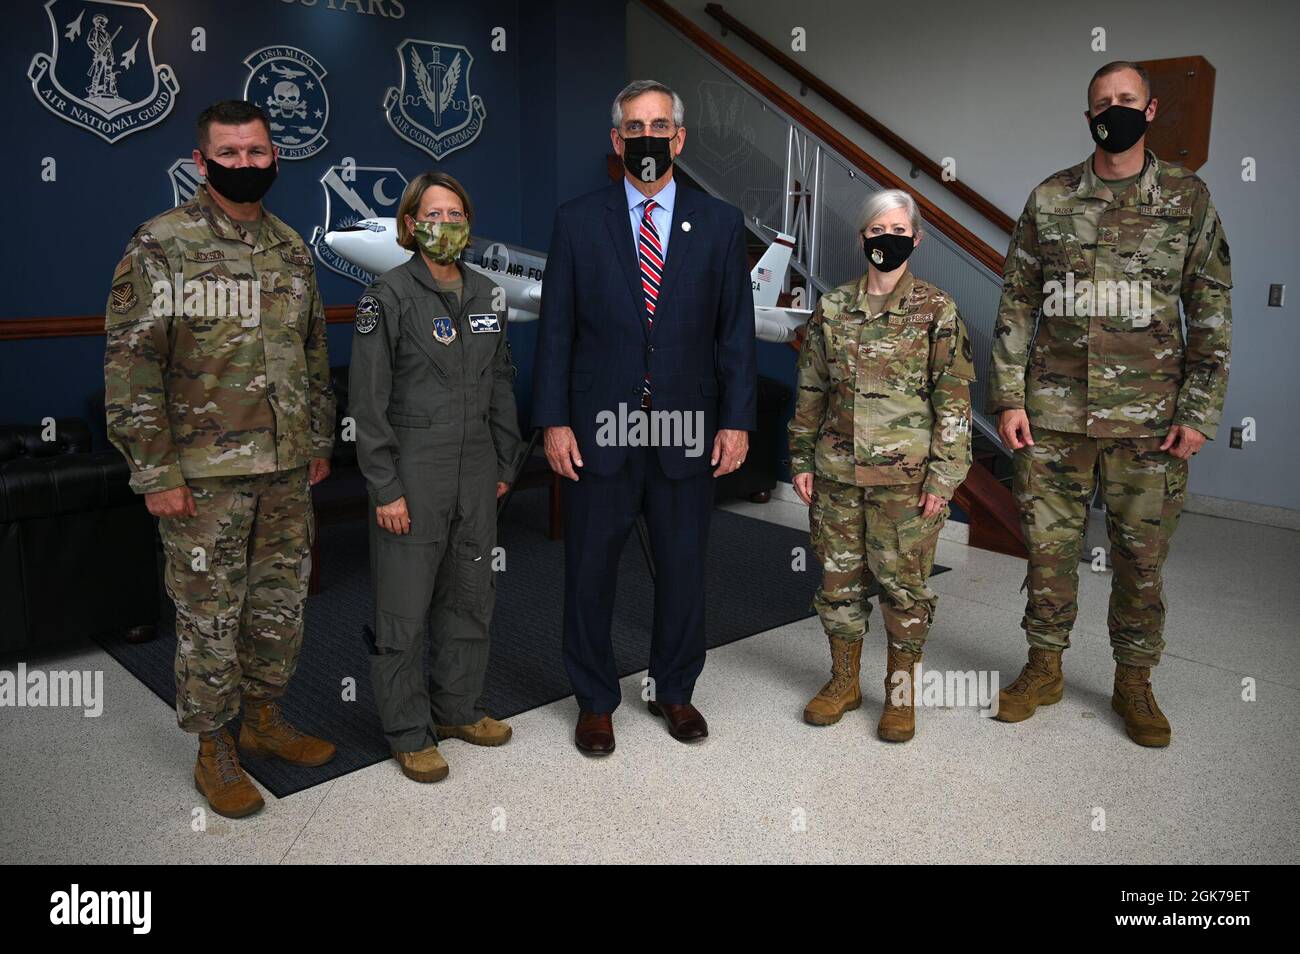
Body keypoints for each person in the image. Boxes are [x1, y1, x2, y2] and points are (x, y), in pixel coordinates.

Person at [988, 61, 1232, 746]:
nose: (1113, 109)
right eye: (1102, 102)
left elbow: (1210, 308)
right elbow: (1018, 303)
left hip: (1151, 422)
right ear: (1088, 114)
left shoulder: (1188, 199)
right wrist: (1007, 396)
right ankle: (1042, 667)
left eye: (1126, 100)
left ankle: (1134, 681)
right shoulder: (1051, 198)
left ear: (1151, 111)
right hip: (1055, 416)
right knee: (1048, 551)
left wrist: (1199, 409)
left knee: (1141, 559)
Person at [104, 100, 336, 819]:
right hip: (203, 483)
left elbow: (313, 354)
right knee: (210, 617)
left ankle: (263, 721)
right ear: (201, 162)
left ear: (276, 157)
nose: (245, 165)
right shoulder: (161, 245)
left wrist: (317, 442)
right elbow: (131, 365)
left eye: (257, 152)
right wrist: (156, 472)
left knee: (279, 605)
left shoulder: (292, 248)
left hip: (287, 472)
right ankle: (213, 749)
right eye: (229, 154)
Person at [532, 79, 757, 755]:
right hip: (600, 428)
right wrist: (554, 421)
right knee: (590, 572)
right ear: (617, 140)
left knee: (684, 570)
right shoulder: (578, 220)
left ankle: (676, 690)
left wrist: (738, 421)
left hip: (686, 430)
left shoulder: (720, 224)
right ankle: (595, 701)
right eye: (635, 127)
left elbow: (735, 335)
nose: (648, 138)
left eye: (660, 126)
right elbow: (556, 332)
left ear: (679, 139)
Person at [349, 172, 522, 783]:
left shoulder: (488, 292)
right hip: (414, 473)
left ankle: (457, 709)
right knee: (405, 608)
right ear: (410, 225)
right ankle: (407, 730)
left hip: (477, 473)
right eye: (432, 214)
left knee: (471, 598)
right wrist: (385, 487)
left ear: (468, 223)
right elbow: (367, 406)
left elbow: (502, 381)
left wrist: (506, 462)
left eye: (455, 213)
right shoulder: (387, 298)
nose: (444, 224)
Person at [789, 189, 974, 742]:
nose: (886, 241)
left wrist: (945, 478)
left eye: (898, 232)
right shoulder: (834, 307)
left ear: (915, 240)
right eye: (876, 231)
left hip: (908, 482)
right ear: (862, 238)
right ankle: (844, 683)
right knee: (839, 585)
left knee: (904, 589)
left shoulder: (936, 310)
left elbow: (955, 401)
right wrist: (800, 457)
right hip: (837, 475)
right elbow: (811, 390)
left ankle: (900, 695)